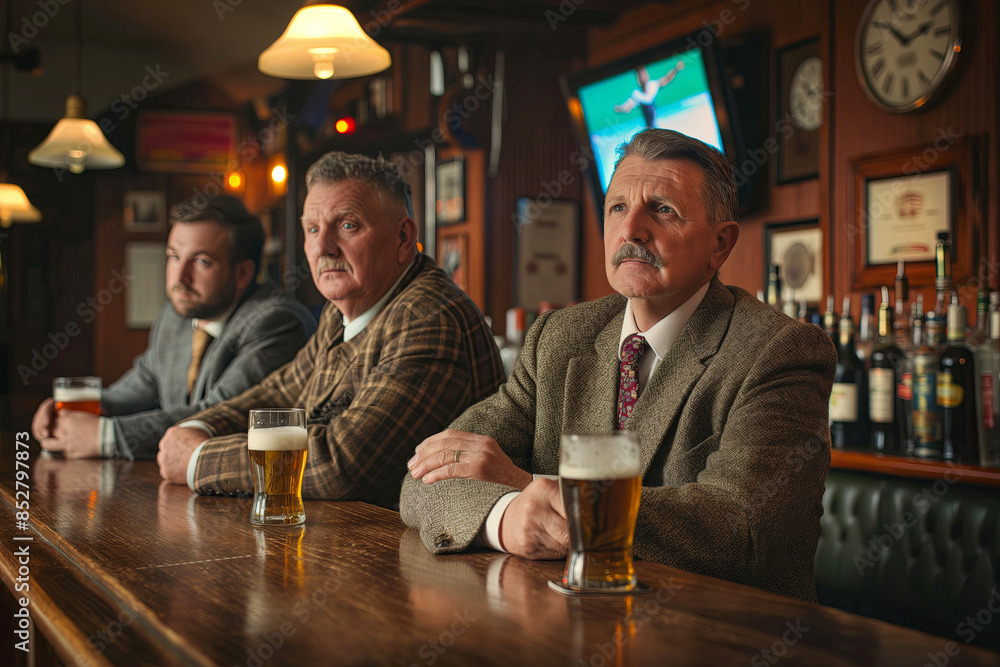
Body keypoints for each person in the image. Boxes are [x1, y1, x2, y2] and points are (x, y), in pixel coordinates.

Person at [400, 129, 837, 602]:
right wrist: (508, 515)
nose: (631, 231)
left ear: (721, 244)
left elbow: (742, 529)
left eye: (663, 210)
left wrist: (533, 487)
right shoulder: (558, 338)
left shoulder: (779, 350)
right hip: (560, 627)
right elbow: (422, 481)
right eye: (617, 208)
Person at [157, 152, 505, 509]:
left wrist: (200, 459)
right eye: (312, 229)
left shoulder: (428, 318)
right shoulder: (341, 310)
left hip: (420, 556)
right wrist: (200, 428)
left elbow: (343, 463)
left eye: (347, 225)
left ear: (403, 238)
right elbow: (281, 391)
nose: (322, 247)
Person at [32, 196, 316, 460]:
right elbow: (139, 386)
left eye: (201, 261)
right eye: (174, 256)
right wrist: (67, 411)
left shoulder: (276, 321)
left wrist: (107, 437)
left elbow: (219, 414)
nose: (180, 277)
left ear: (242, 273)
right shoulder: (175, 316)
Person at [614, 62, 685, 129]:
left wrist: (676, 69)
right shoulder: (637, 94)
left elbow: (666, 79)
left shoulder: (653, 86)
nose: (642, 77)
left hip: (657, 125)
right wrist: (620, 108)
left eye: (643, 74)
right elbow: (627, 107)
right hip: (650, 128)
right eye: (640, 75)